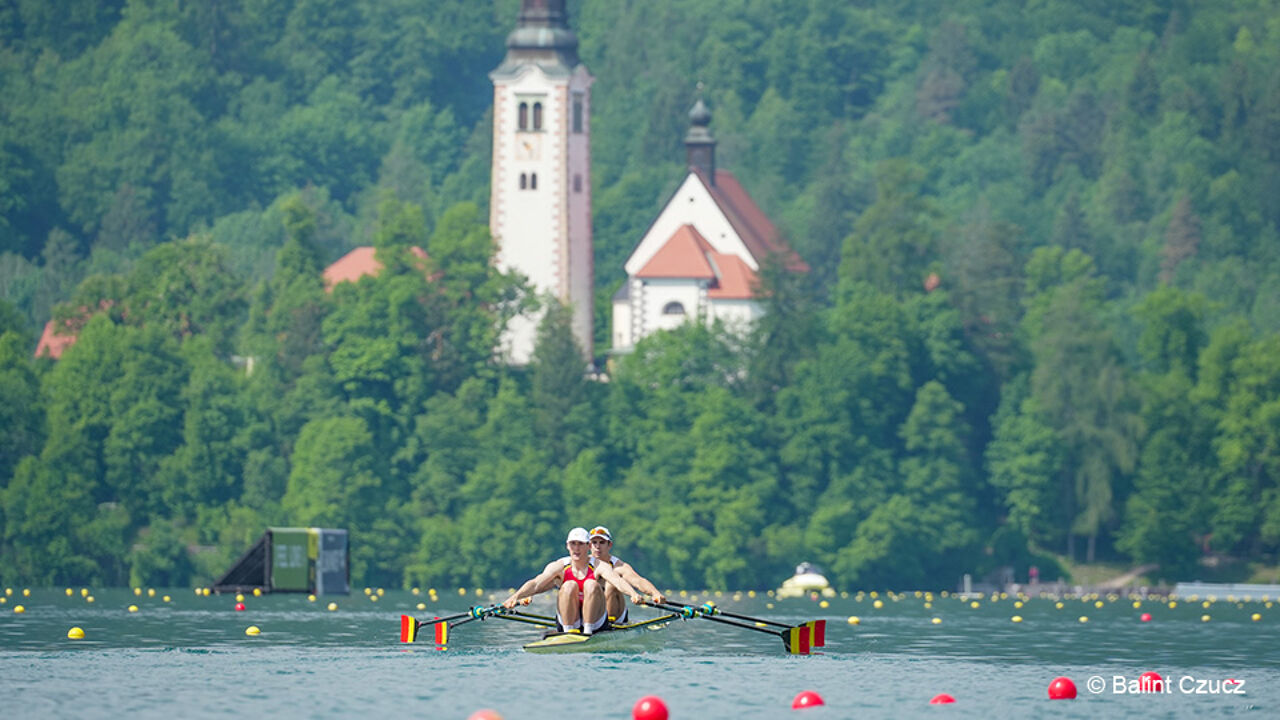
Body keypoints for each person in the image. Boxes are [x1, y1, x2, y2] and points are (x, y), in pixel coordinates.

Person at [502, 527, 644, 634]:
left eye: (580, 544)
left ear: (588, 546)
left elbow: (617, 581)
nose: (576, 549)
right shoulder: (559, 566)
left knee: (590, 584)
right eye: (573, 544)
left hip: (596, 621)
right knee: (569, 585)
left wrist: (633, 594)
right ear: (567, 546)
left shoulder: (600, 565)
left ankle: (587, 632)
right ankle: (569, 632)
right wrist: (515, 597)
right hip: (569, 620)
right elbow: (536, 582)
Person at [587, 525, 666, 624]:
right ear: (589, 546)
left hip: (614, 615)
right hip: (592, 613)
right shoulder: (583, 563)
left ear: (609, 545)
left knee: (611, 583)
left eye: (602, 542)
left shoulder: (619, 566)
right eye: (594, 543)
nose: (597, 547)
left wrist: (655, 593)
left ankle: (610, 624)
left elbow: (638, 581)